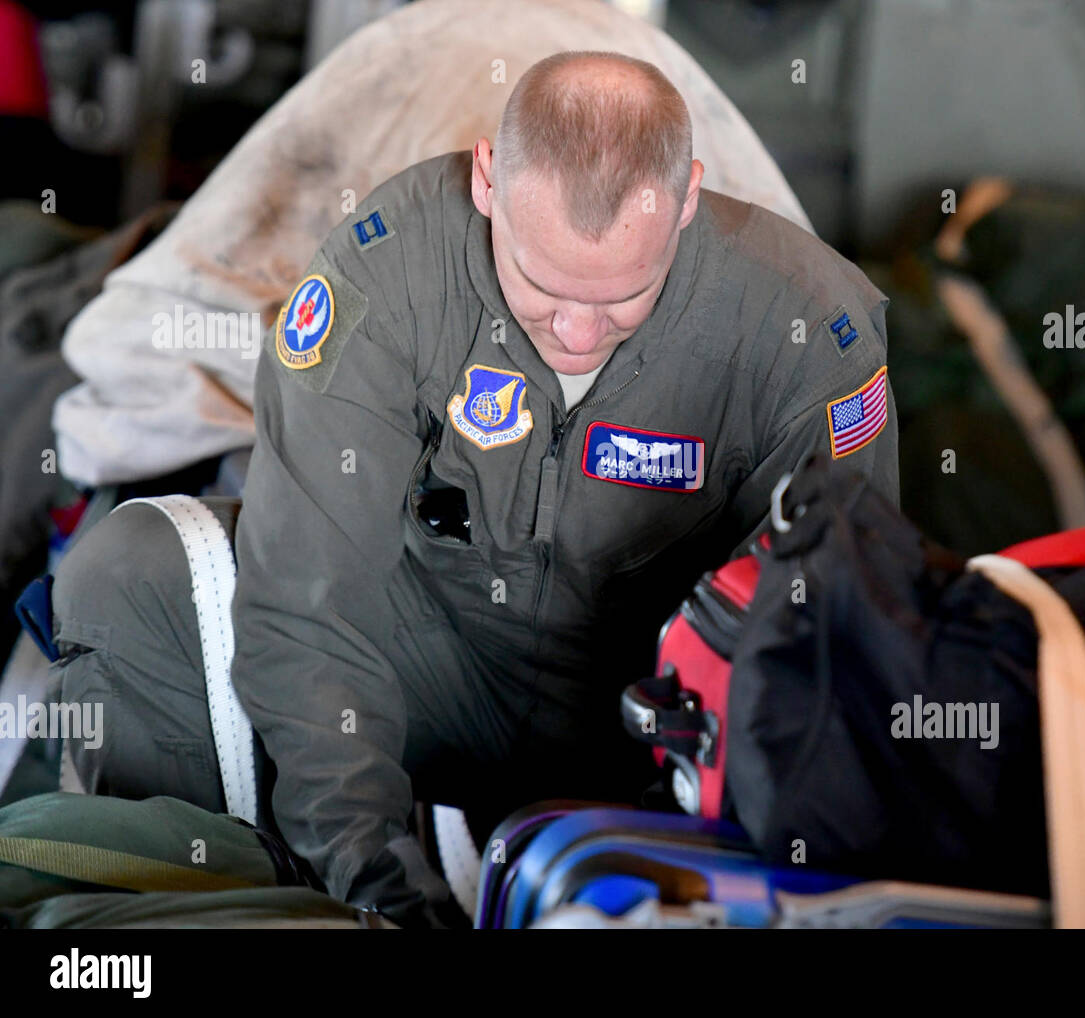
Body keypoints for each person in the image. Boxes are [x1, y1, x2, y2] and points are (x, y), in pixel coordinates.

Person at [51, 51, 897, 927]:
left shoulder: (808, 331)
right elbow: (310, 604)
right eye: (540, 287)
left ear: (685, 198)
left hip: (644, 713)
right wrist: (375, 882)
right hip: (433, 654)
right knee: (127, 579)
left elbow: (831, 649)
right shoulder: (385, 275)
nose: (574, 332)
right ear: (489, 179)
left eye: (622, 298)